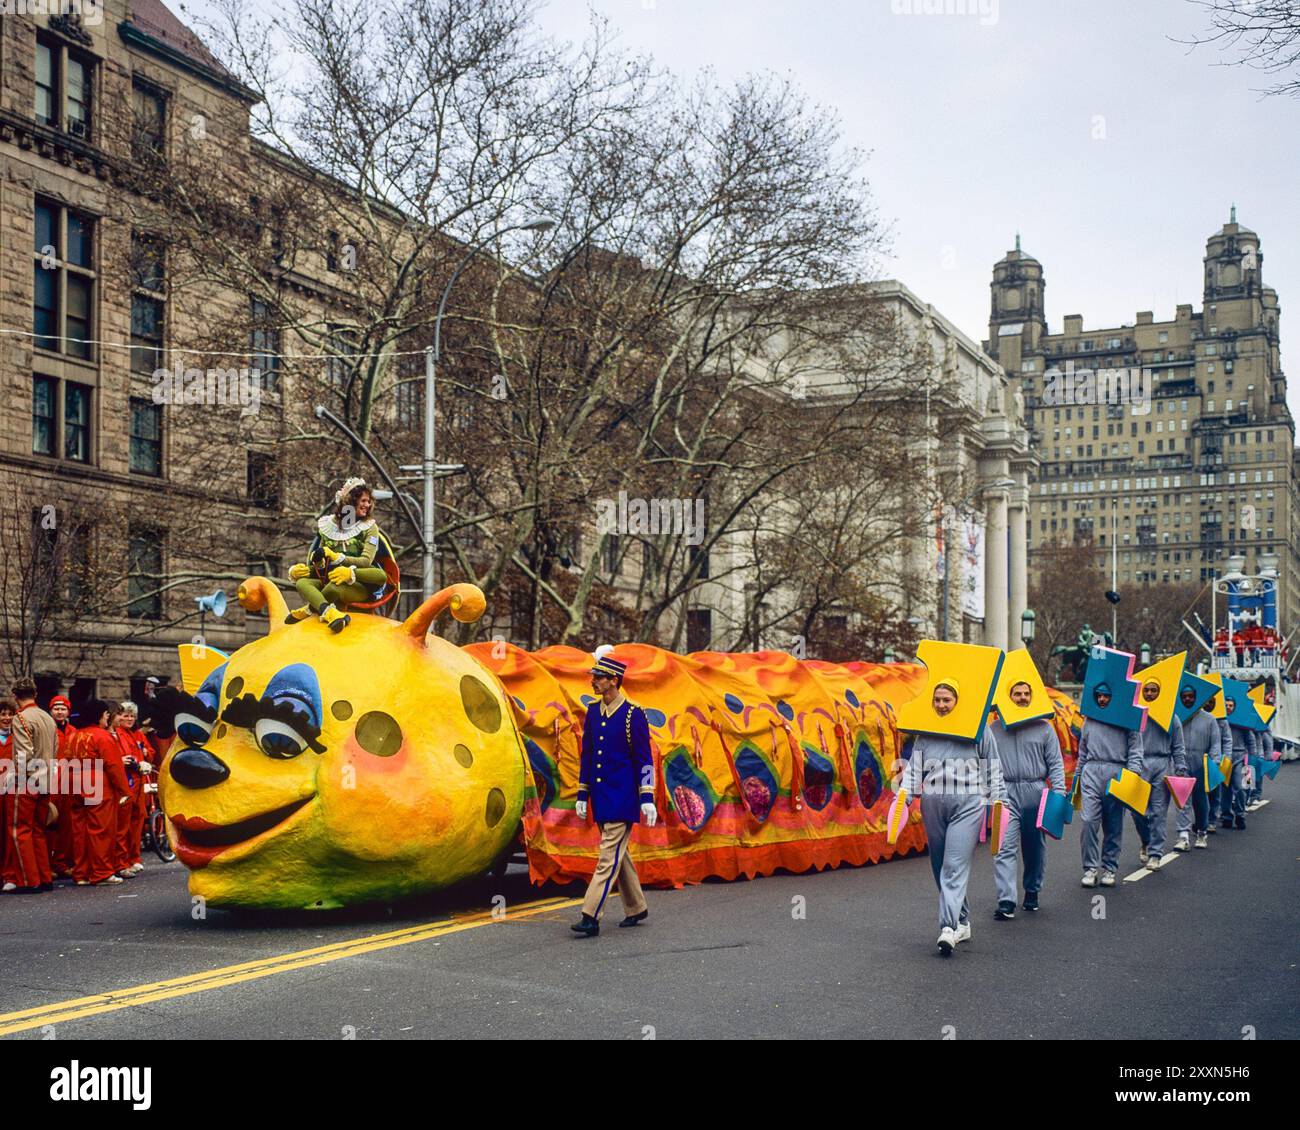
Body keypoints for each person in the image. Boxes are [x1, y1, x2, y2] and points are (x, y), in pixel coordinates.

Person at [898, 679, 1006, 955]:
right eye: (938, 700)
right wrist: (903, 797)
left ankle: (947, 928)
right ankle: (962, 920)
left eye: (947, 700)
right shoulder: (926, 734)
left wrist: (999, 801)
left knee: (953, 864)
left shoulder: (979, 730)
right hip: (933, 802)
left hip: (969, 803)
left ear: (958, 702)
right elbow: (913, 771)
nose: (942, 705)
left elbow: (992, 767)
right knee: (938, 864)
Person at [570, 651, 657, 938]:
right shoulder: (593, 712)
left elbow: (645, 760)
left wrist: (647, 798)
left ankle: (590, 914)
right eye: (594, 677)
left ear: (613, 681)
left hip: (623, 799)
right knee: (620, 854)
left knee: (608, 857)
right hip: (602, 796)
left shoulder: (634, 715)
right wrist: (583, 794)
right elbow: (588, 755)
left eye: (598, 677)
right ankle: (636, 907)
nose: (593, 682)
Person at [989, 680, 1065, 918]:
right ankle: (1006, 900)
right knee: (1003, 847)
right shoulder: (994, 729)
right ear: (1007, 697)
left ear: (1031, 697)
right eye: (1016, 694)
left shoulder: (1044, 728)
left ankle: (1032, 890)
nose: (1021, 697)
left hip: (1036, 792)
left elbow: (1055, 763)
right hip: (1006, 792)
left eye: (1025, 694)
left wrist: (1059, 794)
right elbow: (987, 763)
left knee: (1034, 848)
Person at [285, 478, 398, 633]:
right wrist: (304, 570)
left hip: (358, 582)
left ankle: (310, 609)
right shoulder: (328, 526)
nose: (368, 505)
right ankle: (329, 613)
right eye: (364, 500)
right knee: (302, 583)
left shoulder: (370, 527)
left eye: (370, 501)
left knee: (335, 587)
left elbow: (366, 561)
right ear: (351, 500)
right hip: (331, 577)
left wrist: (343, 564)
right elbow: (322, 566)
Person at [1076, 681, 1143, 888]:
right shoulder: (1089, 721)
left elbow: (1135, 751)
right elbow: (1082, 753)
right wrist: (1077, 779)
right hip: (1091, 771)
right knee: (1088, 821)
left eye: (1106, 696)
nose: (1102, 699)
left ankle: (1110, 868)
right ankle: (1090, 868)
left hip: (1117, 772)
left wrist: (1131, 776)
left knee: (1113, 825)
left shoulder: (1127, 721)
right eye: (1099, 696)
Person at [72, 701, 131, 886]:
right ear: (99, 715)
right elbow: (114, 765)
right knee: (101, 829)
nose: (107, 717)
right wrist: (124, 790)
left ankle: (81, 873)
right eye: (106, 714)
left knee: (79, 831)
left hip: (72, 781)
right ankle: (102, 873)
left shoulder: (74, 736)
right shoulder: (103, 736)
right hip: (97, 781)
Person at [1129, 678, 1187, 868]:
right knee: (1137, 811)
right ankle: (1145, 840)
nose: (1151, 694)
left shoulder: (1172, 717)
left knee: (1158, 812)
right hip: (1139, 763)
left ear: (1160, 692)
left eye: (1154, 690)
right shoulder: (1135, 715)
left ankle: (1156, 853)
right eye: (1147, 690)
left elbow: (1178, 747)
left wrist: (1180, 768)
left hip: (1162, 765)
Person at [1179, 688, 1228, 850]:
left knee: (1201, 801)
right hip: (1182, 763)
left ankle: (1202, 831)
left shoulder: (1210, 719)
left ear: (1197, 698)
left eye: (1191, 696)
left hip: (1203, 765)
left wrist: (1214, 763)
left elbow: (1216, 743)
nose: (1187, 699)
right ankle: (1183, 835)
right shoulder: (1178, 717)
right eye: (1184, 697)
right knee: (1183, 800)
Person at [114, 702, 151, 877]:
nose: (128, 719)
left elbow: (149, 751)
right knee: (124, 824)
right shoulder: (117, 735)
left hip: (138, 782)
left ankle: (134, 858)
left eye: (132, 716)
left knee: (137, 821)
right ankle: (123, 860)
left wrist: (146, 759)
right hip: (127, 782)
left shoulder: (137, 734)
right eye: (125, 715)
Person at [46, 695, 79, 879]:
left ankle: (63, 861)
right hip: (51, 780)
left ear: (68, 711)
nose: (59, 712)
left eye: (63, 708)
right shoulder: (47, 730)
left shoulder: (74, 730)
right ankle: (48, 864)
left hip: (69, 782)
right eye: (56, 708)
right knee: (50, 823)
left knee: (67, 824)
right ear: (51, 711)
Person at [1221, 697, 1256, 831]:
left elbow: (1251, 741)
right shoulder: (1220, 721)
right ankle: (1227, 817)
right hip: (1224, 758)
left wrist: (1253, 760)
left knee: (1240, 787)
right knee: (1225, 789)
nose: (1228, 707)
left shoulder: (1242, 722)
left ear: (1235, 707)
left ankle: (1240, 815)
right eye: (1226, 705)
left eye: (1231, 705)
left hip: (1239, 758)